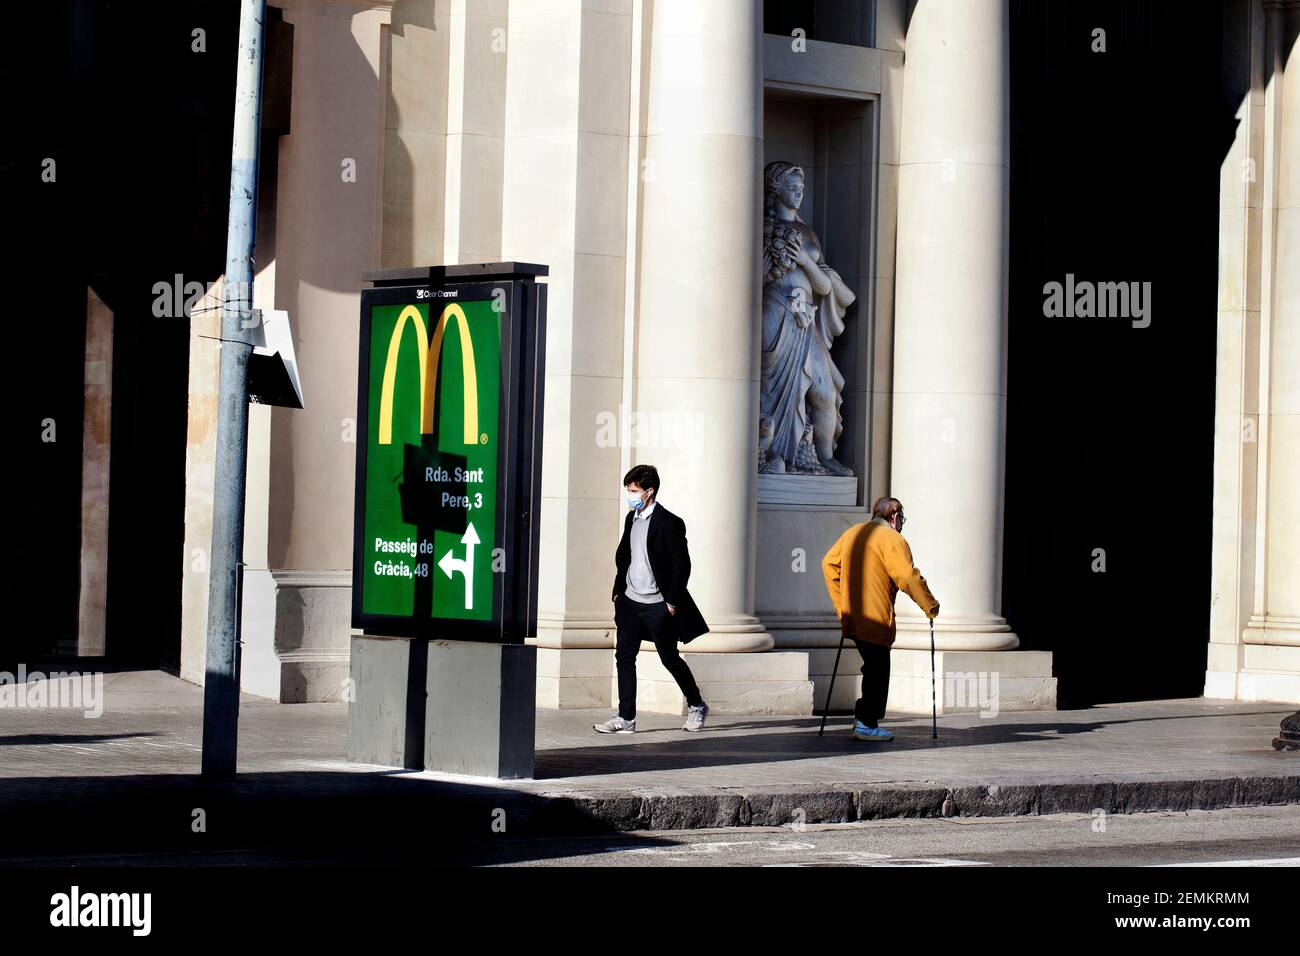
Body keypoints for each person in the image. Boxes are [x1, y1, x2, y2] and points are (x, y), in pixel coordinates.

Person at [594, 465, 711, 735]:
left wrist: (670, 602)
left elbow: (682, 566)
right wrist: (617, 593)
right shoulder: (630, 519)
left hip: (658, 605)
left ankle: (696, 704)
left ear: (649, 492)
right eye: (628, 491)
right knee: (624, 656)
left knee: (669, 658)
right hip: (629, 603)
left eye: (634, 491)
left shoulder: (669, 522)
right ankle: (626, 718)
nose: (630, 495)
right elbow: (624, 556)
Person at [820, 496, 940, 741]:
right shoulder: (892, 539)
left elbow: (828, 564)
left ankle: (865, 719)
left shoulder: (852, 533)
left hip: (854, 617)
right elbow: (907, 576)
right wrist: (930, 605)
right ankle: (866, 722)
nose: (902, 523)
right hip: (875, 618)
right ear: (894, 517)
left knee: (873, 667)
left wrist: (842, 607)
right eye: (902, 519)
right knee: (878, 669)